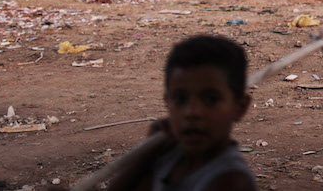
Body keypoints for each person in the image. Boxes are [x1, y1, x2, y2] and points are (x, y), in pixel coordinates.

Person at [109, 34, 257, 191]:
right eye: (180, 99)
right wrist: (147, 154)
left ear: (240, 107)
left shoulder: (231, 182)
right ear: (167, 102)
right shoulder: (167, 157)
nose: (192, 112)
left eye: (211, 100)